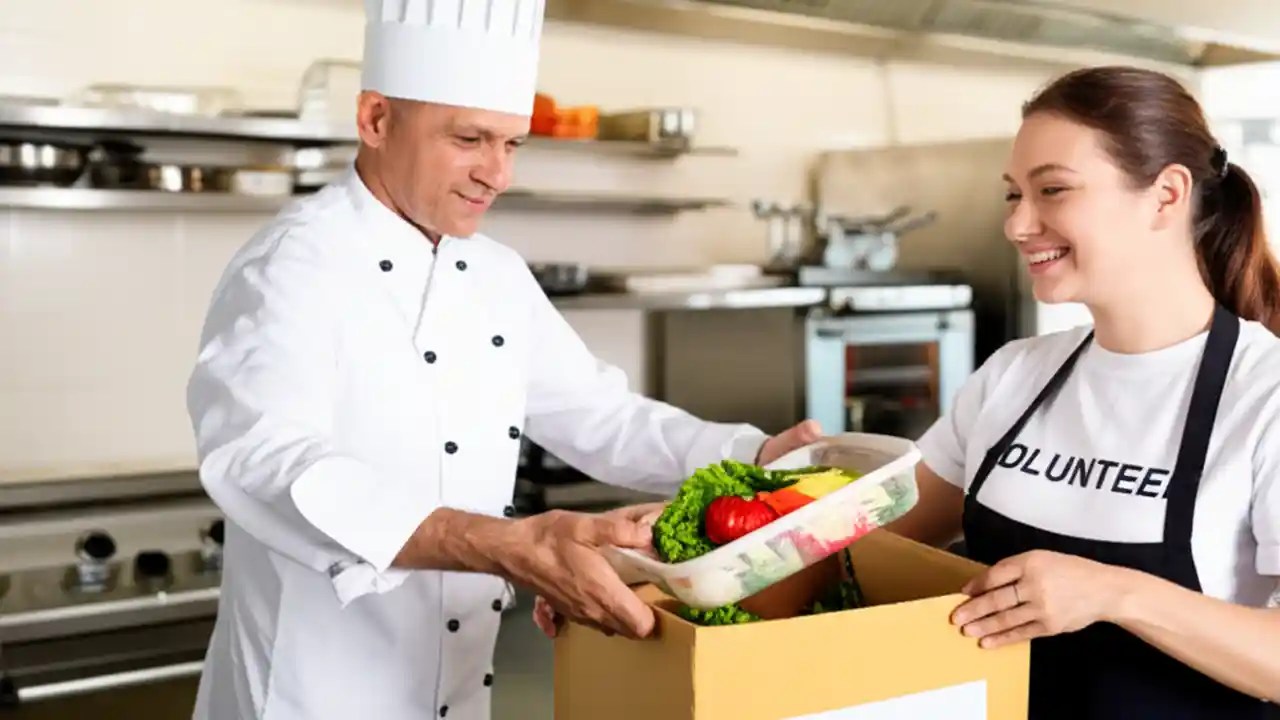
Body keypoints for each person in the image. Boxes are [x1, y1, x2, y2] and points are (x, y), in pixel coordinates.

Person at [184, 1, 820, 718]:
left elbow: (600, 416)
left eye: (512, 145)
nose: (498, 175)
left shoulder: (494, 274)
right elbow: (262, 460)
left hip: (456, 687)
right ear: (375, 120)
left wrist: (756, 455)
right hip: (313, 692)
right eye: (470, 139)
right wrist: (504, 545)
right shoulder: (292, 265)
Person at [879, 65, 1280, 718]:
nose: (1017, 224)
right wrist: (704, 527)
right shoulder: (1014, 375)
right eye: (1013, 195)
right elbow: (871, 539)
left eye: (1053, 190)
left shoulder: (1264, 396)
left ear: (1166, 196)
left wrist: (1115, 594)